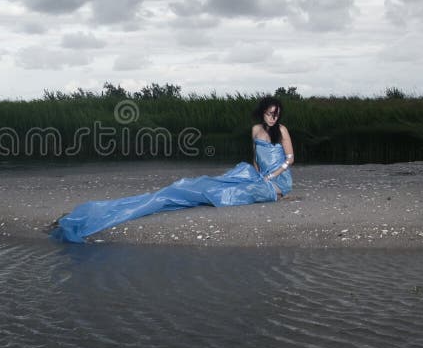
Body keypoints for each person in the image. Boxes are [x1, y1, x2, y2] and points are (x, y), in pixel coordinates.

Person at [50, 95, 295, 243]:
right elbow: (254, 158)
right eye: (271, 113)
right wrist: (251, 173)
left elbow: (290, 159)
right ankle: (190, 191)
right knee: (206, 184)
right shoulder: (255, 130)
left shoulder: (281, 130)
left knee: (241, 192)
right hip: (257, 173)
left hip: (278, 179)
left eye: (277, 114)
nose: (274, 117)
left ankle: (258, 191)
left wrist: (270, 176)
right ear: (263, 111)